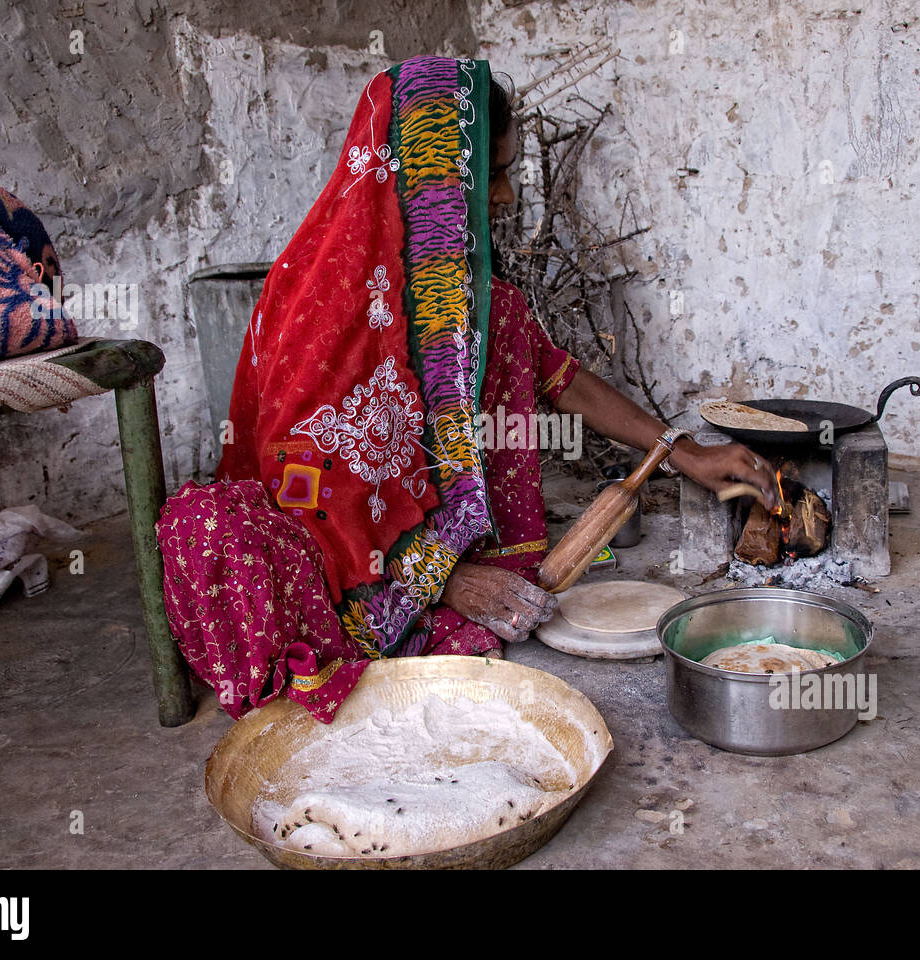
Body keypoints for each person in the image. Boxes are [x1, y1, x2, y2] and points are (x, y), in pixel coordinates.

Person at [156, 56, 778, 723]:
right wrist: (443, 581)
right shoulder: (316, 300)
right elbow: (302, 478)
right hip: (329, 553)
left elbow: (563, 380)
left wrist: (686, 454)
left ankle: (432, 587)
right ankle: (408, 602)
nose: (505, 197)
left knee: (505, 314)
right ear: (435, 179)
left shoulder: (483, 307)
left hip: (425, 539)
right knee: (208, 531)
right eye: (495, 174)